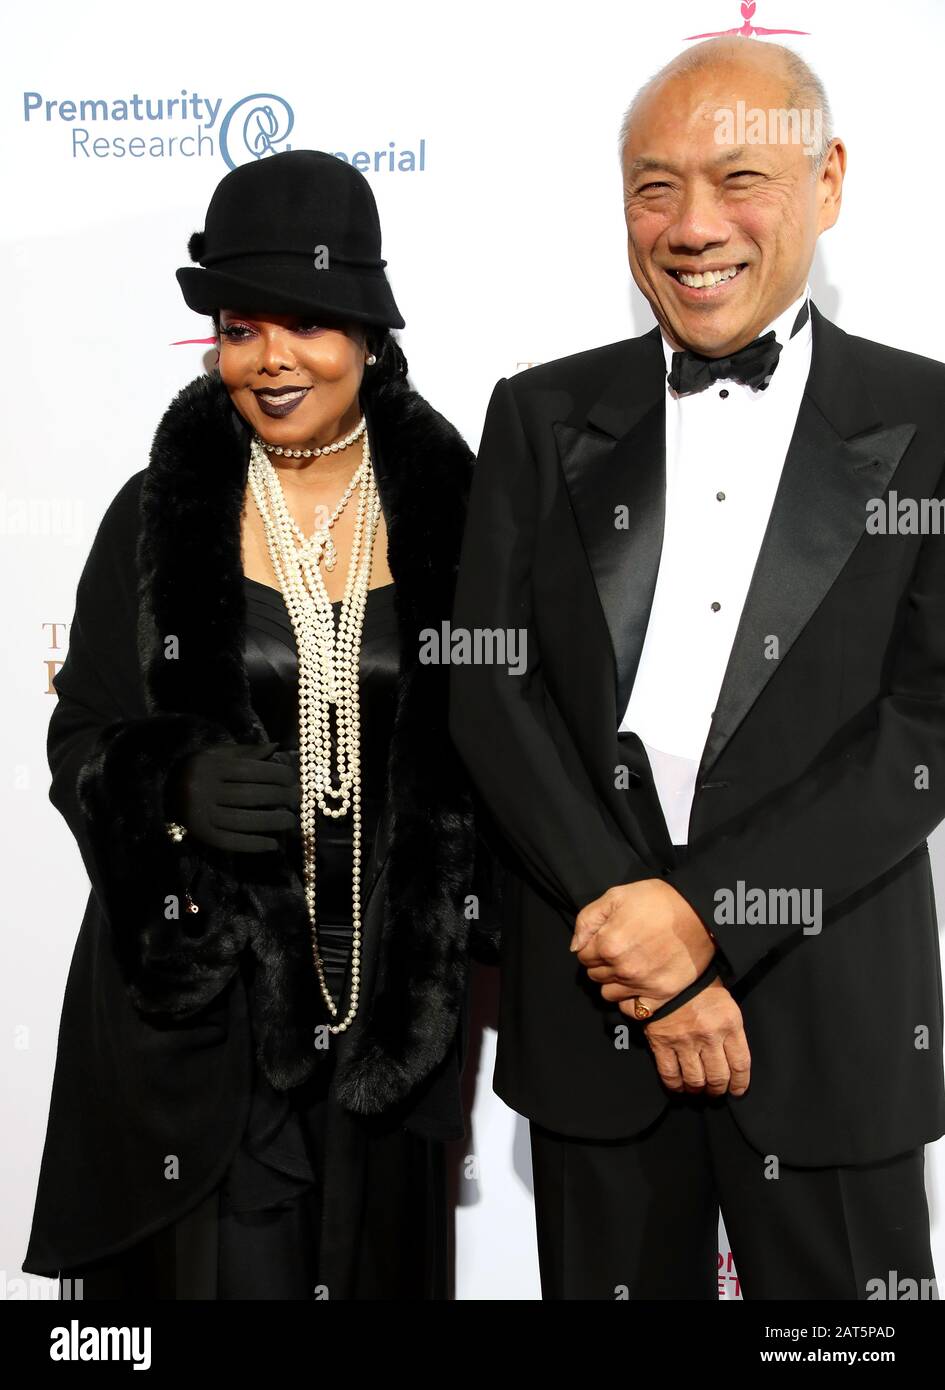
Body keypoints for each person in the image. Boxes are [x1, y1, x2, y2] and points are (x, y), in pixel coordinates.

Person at [449, 37, 945, 1300]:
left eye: (740, 178)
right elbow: (489, 688)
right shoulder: (540, 413)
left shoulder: (933, 424)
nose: (692, 225)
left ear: (827, 181)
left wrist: (706, 917)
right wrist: (640, 933)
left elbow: (927, 719)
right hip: (592, 1013)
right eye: (653, 186)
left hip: (830, 1021)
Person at [24, 149, 492, 1300]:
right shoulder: (153, 513)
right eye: (242, 327)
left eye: (310, 323)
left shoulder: (465, 520)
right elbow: (79, 733)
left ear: (371, 334)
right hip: (196, 1039)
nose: (273, 359)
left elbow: (504, 750)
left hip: (387, 1030)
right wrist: (166, 786)